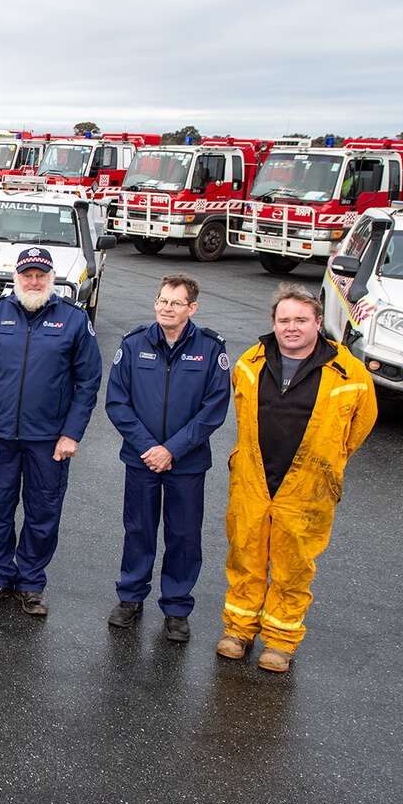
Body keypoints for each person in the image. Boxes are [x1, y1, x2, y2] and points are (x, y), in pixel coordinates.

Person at [218, 283, 376, 672]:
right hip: (254, 478)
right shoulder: (249, 363)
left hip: (308, 486)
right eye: (284, 319)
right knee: (245, 555)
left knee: (294, 565)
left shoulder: (348, 373)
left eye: (301, 320)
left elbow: (362, 424)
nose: (292, 327)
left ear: (318, 323)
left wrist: (329, 460)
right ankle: (238, 630)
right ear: (273, 323)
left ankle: (280, 641)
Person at [0, 247, 102, 617]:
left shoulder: (74, 321)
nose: (34, 281)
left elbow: (88, 381)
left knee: (43, 513)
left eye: (41, 274)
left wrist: (72, 433)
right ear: (16, 277)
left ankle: (30, 582)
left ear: (51, 278)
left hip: (49, 440)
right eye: (28, 274)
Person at [103, 274, 230, 643]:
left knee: (183, 535)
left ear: (192, 308)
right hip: (142, 459)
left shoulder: (210, 350)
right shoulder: (133, 344)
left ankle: (176, 607)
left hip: (186, 463)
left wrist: (171, 449)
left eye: (175, 303)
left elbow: (213, 410)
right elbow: (117, 402)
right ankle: (130, 597)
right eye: (161, 301)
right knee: (138, 529)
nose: (166, 308)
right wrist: (150, 448)